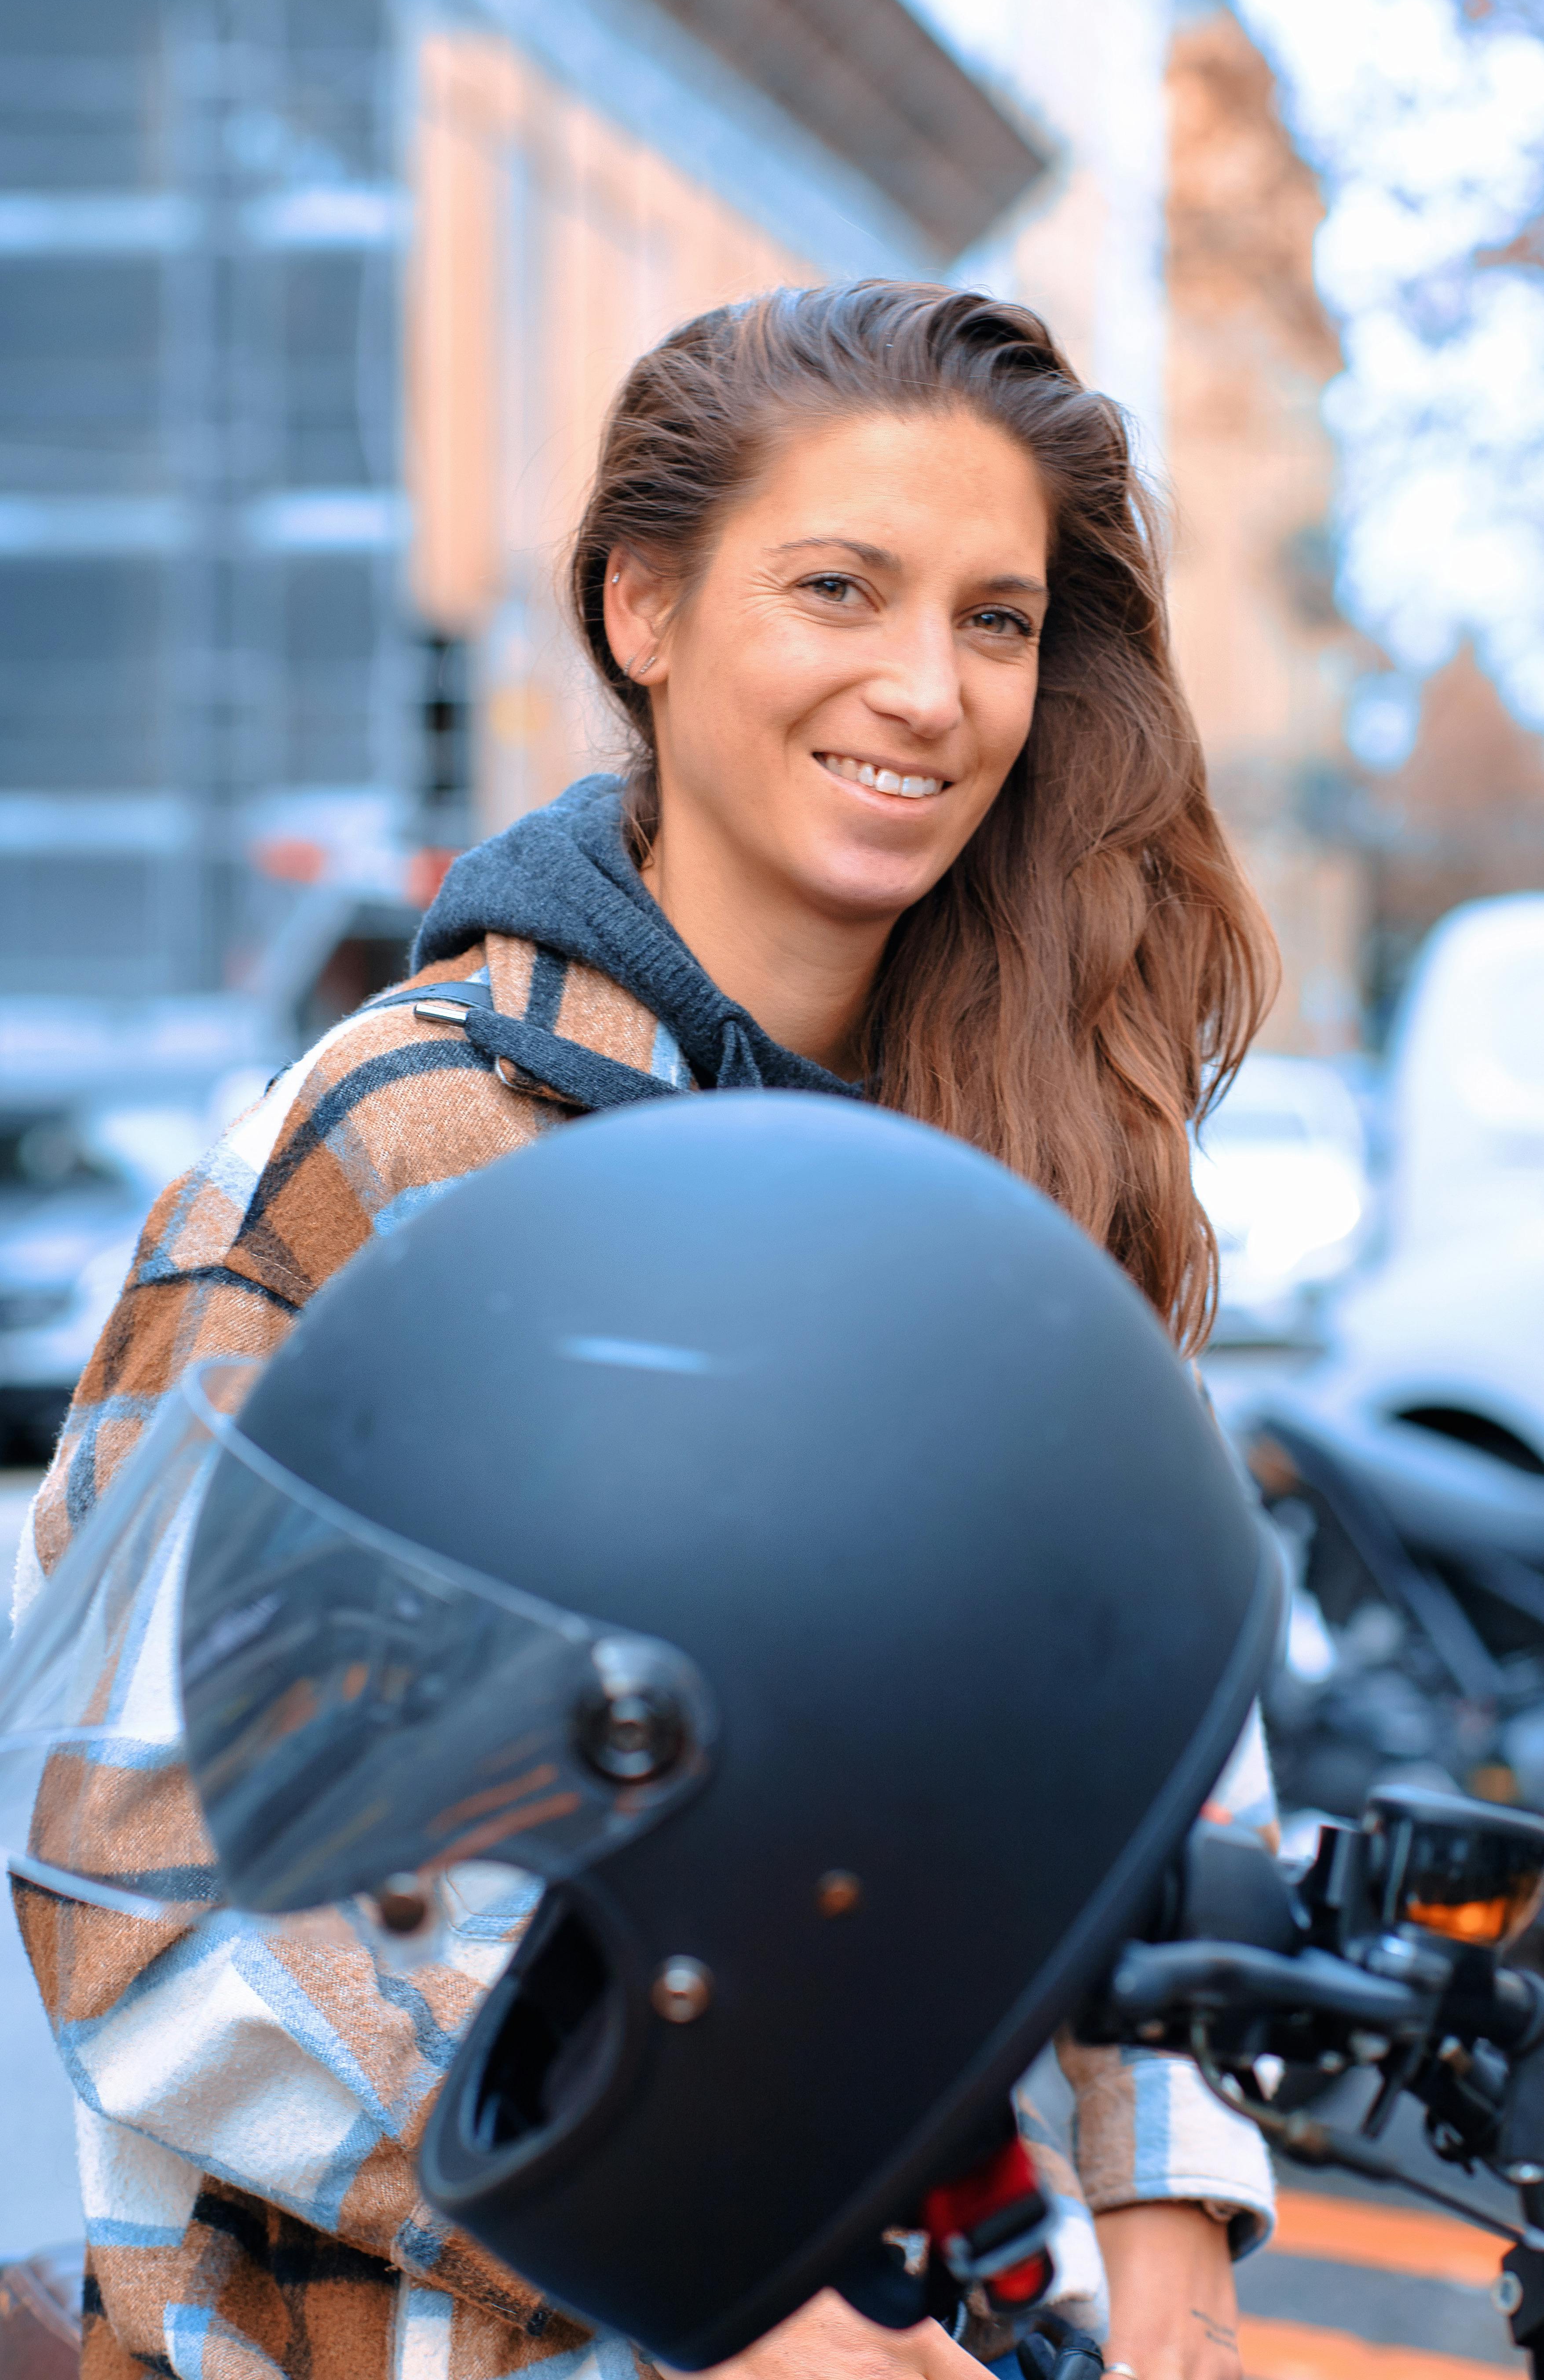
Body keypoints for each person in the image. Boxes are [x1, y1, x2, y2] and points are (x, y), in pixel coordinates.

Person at [14, 282, 1280, 2380]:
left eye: (992, 619)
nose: (927, 689)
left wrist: (1169, 2214)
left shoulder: (1035, 1152)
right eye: (836, 590)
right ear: (643, 611)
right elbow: (124, 1836)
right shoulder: (404, 1139)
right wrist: (728, 2293)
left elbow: (1137, 1705)